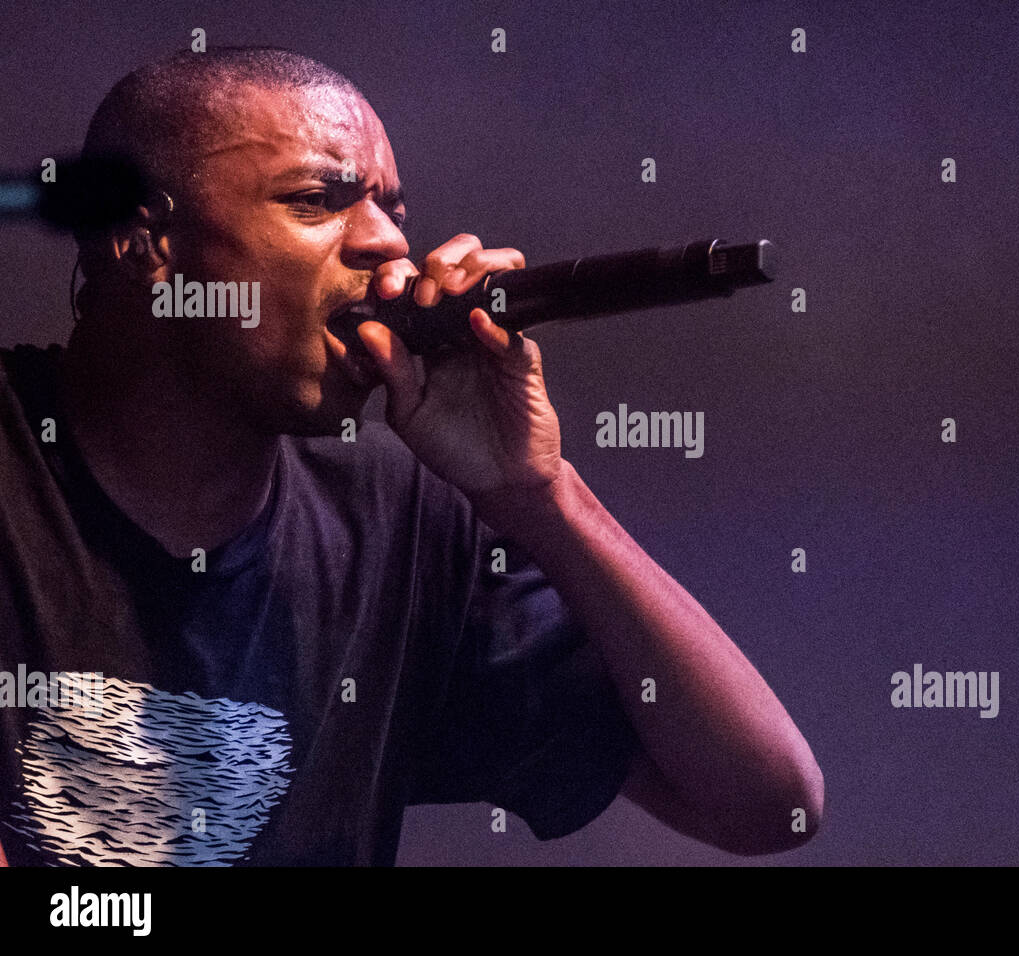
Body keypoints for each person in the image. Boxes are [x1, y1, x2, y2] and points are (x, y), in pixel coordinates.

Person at [0, 47, 822, 866]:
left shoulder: (402, 524)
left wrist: (541, 496)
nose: (390, 247)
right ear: (140, 244)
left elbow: (768, 807)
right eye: (317, 200)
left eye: (393, 209)